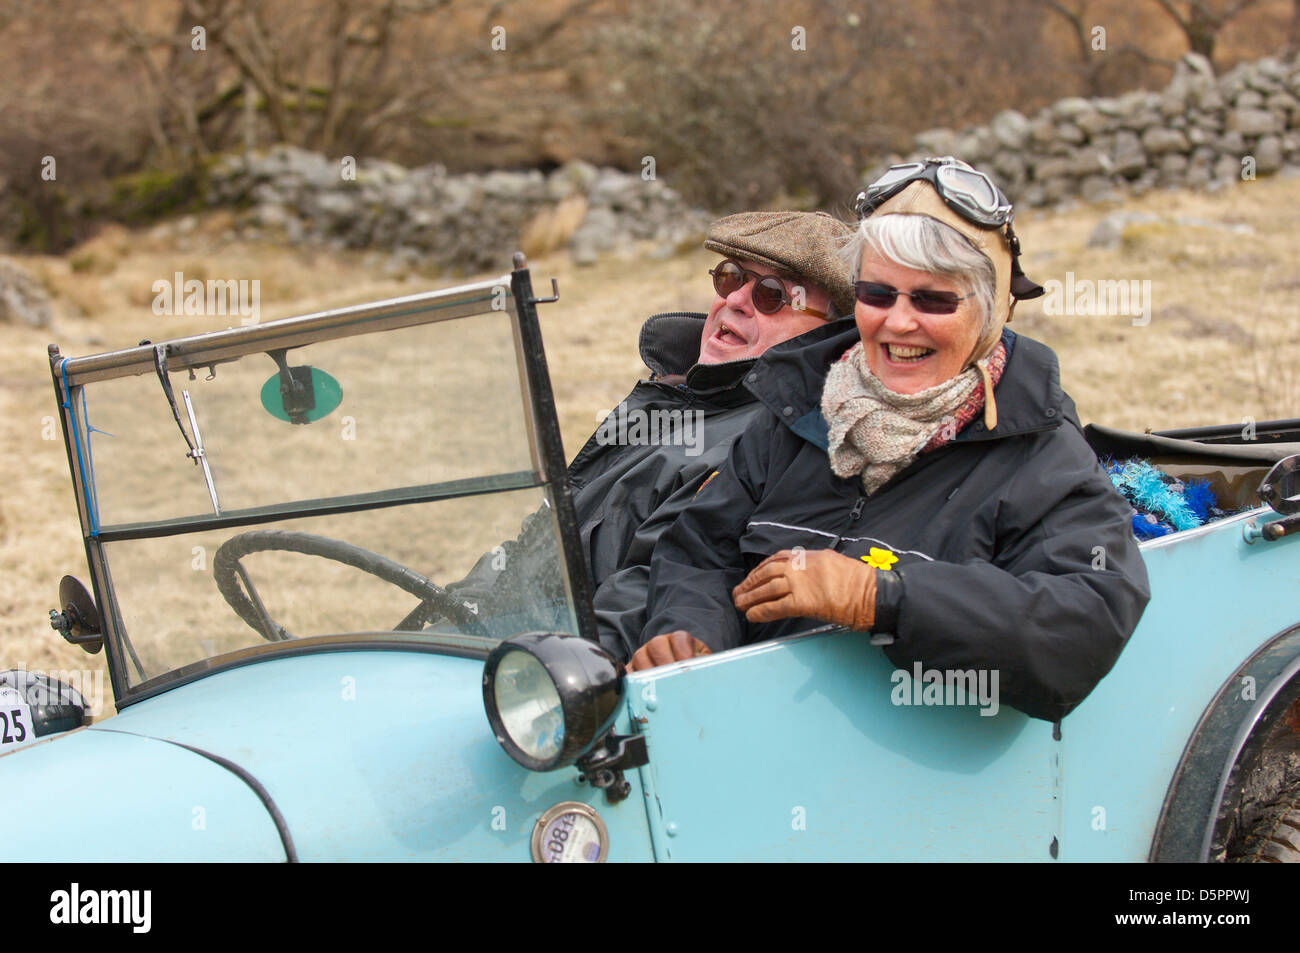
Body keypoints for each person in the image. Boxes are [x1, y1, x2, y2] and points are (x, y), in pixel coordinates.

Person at [627, 157, 1150, 723]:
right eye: (877, 295)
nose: (898, 323)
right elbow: (702, 552)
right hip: (750, 738)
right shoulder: (798, 407)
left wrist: (881, 596)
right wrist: (689, 636)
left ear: (993, 309)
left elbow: (1083, 626)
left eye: (932, 300)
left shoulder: (1040, 453)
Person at [449, 211, 855, 660]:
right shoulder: (672, 396)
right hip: (493, 652)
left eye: (771, 295)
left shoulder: (763, 447)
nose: (735, 300)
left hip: (551, 680)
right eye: (730, 277)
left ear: (828, 335)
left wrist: (537, 671)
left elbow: (646, 590)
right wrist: (451, 611)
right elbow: (538, 542)